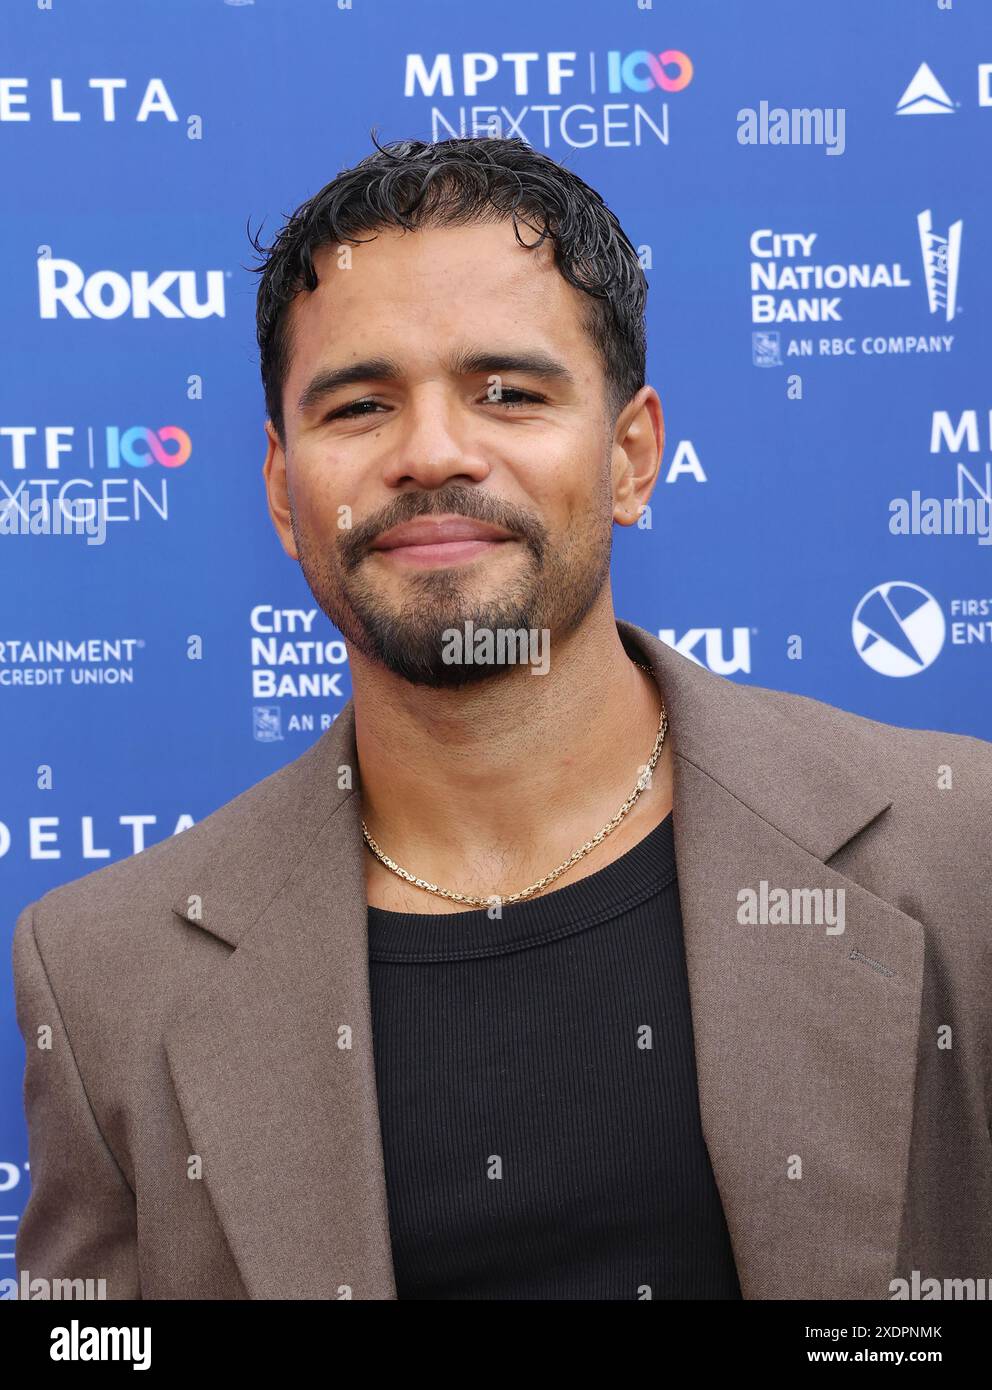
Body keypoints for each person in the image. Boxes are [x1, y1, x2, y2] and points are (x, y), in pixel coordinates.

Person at [13, 137, 992, 1301]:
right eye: (361, 404)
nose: (431, 452)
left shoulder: (957, 850)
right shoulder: (104, 975)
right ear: (283, 491)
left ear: (630, 456)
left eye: (507, 393)